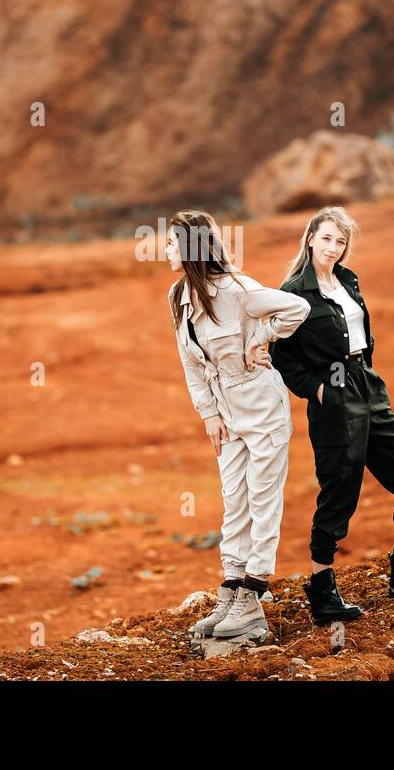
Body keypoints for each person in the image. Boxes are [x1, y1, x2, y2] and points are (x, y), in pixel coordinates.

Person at [271, 206, 394, 626]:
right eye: (327, 238)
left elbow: (361, 336)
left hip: (367, 386)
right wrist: (318, 389)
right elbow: (282, 356)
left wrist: (365, 375)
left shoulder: (348, 280)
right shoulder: (293, 292)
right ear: (310, 238)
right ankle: (321, 589)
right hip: (333, 397)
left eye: (341, 241)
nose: (333, 248)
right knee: (340, 491)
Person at [165, 210, 311, 639]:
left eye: (173, 243)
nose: (166, 251)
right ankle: (231, 587)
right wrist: (208, 413)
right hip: (226, 410)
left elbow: (296, 307)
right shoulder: (179, 296)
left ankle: (254, 595)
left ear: (191, 247)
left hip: (262, 403)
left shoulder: (239, 290)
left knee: (263, 498)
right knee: (235, 497)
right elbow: (189, 364)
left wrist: (260, 338)